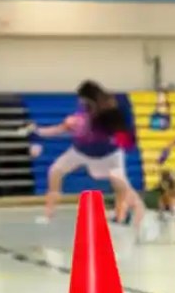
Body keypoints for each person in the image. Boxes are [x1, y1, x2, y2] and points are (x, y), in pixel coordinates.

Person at [33, 80, 144, 239]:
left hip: (108, 155)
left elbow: (126, 139)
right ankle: (48, 214)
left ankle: (125, 217)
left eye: (84, 100)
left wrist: (83, 125)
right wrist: (39, 131)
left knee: (122, 187)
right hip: (80, 151)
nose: (81, 103)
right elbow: (61, 128)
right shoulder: (84, 108)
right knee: (55, 171)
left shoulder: (111, 112)